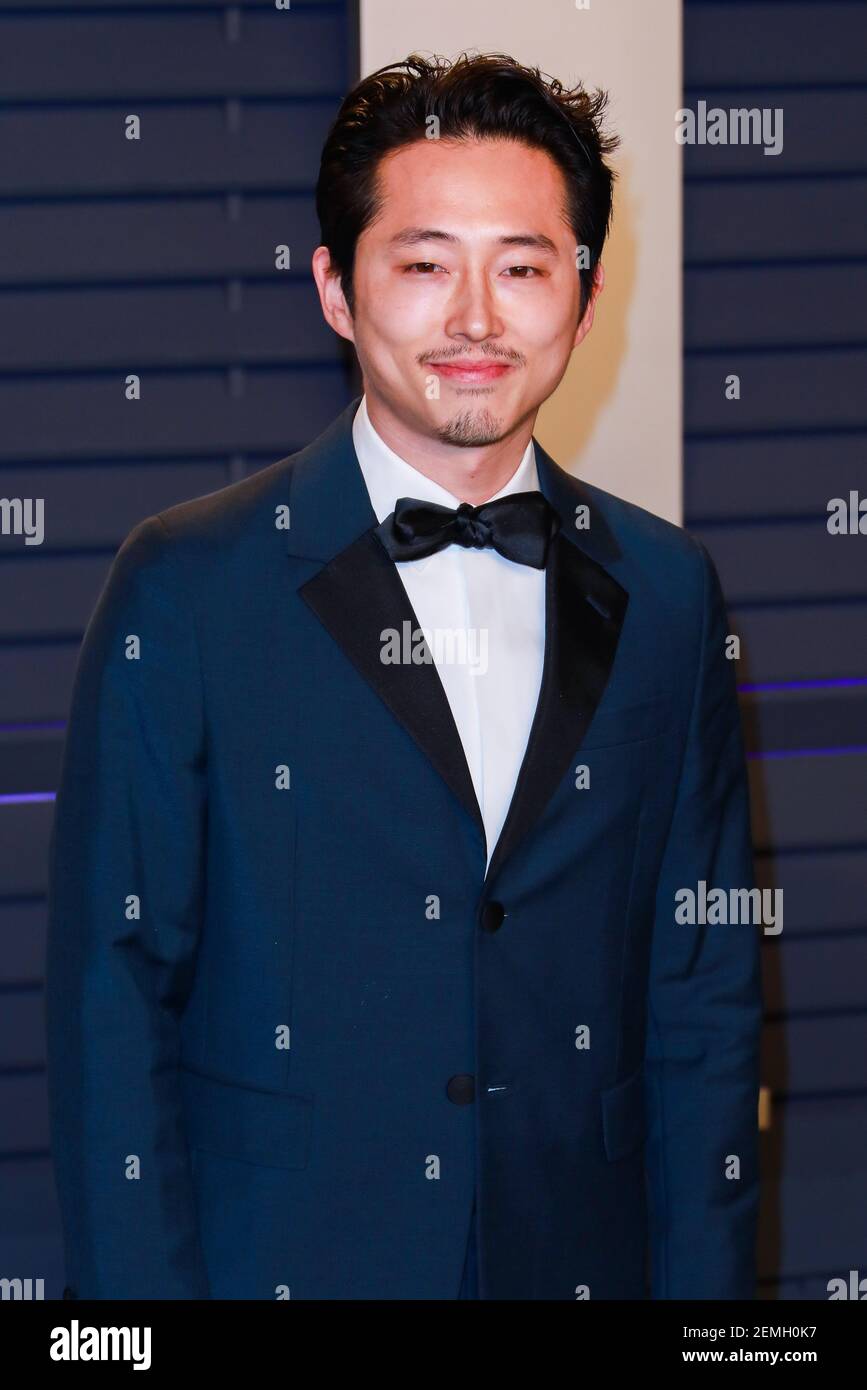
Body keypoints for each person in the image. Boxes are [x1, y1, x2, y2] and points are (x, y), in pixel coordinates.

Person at [46, 52, 762, 1300]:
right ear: (335, 287)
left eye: (524, 267)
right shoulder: (188, 584)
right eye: (425, 263)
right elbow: (114, 1004)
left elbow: (702, 998)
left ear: (586, 300)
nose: (476, 317)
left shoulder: (669, 589)